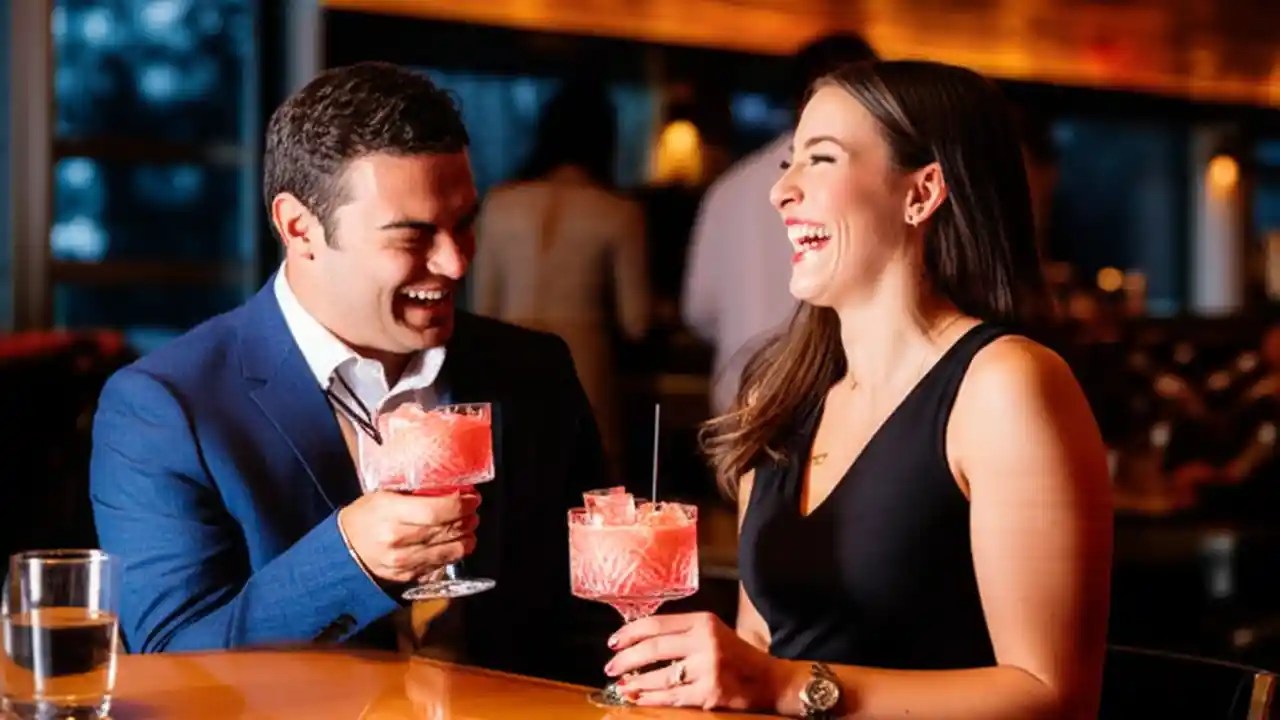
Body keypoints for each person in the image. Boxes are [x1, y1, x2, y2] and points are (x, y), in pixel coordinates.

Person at [601, 61, 1113, 718]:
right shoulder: (780, 391)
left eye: (820, 159)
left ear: (922, 193)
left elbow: (1056, 696)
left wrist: (783, 686)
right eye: (790, 161)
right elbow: (761, 646)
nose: (781, 191)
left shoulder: (1005, 385)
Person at [89, 62, 609, 682]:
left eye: (465, 223)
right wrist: (349, 560)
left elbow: (591, 628)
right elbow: (170, 663)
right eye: (411, 236)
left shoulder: (532, 371)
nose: (455, 261)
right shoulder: (165, 407)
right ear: (299, 228)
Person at [681, 33, 878, 416]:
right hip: (830, 402)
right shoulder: (863, 185)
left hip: (737, 404)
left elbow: (698, 310)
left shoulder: (731, 186)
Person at [472, 78, 648, 471]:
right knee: (586, 494)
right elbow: (636, 321)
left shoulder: (501, 203)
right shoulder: (618, 212)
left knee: (508, 483)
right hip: (584, 361)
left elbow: (481, 305)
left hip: (505, 356)